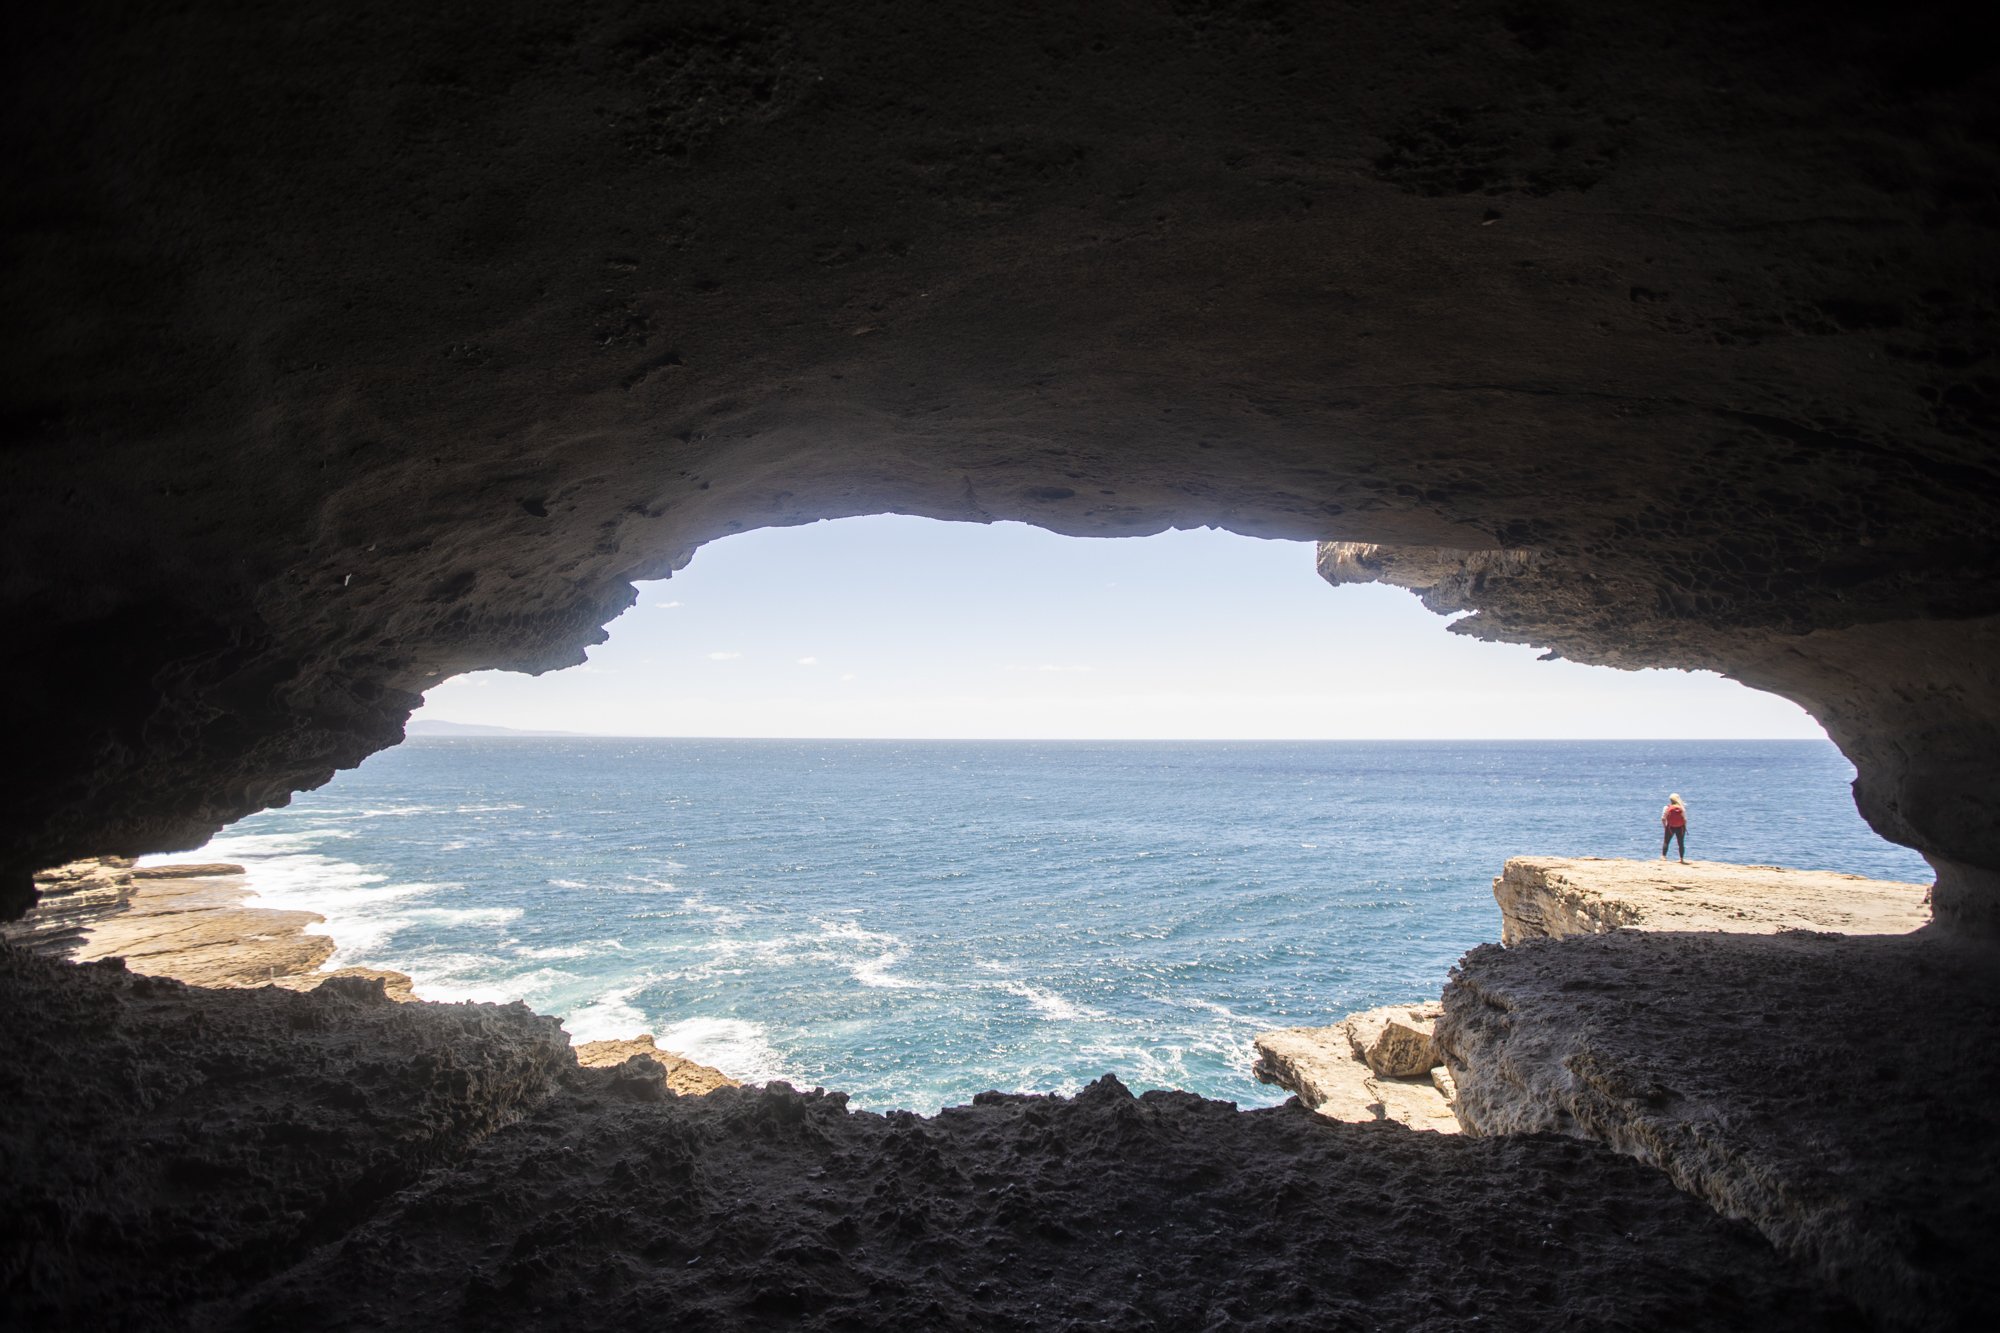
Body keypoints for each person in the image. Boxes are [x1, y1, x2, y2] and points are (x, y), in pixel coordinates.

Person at [1660, 793, 1688, 862]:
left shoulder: (1666, 807)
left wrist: (1665, 826)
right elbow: (1685, 819)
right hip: (1681, 827)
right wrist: (1684, 827)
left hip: (1670, 826)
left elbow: (1663, 818)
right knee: (1681, 843)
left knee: (1666, 841)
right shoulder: (1681, 807)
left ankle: (1664, 857)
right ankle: (1681, 859)